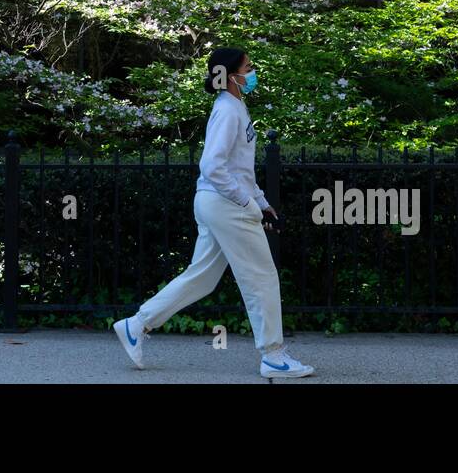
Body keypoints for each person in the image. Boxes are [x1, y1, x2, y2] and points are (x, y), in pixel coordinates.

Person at [112, 47, 315, 379]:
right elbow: (213, 166)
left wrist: (262, 203)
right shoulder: (228, 111)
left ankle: (136, 325)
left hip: (216, 203)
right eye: (248, 67)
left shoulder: (235, 106)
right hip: (225, 205)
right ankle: (274, 356)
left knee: (201, 278)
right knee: (261, 277)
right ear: (231, 74)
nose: (252, 73)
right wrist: (248, 204)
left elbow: (240, 169)